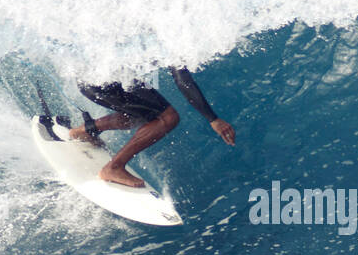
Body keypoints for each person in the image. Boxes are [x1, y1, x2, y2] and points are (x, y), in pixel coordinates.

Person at [67, 68, 236, 187]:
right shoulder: (174, 27)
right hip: (105, 81)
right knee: (169, 117)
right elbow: (182, 80)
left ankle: (86, 131)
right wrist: (213, 119)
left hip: (87, 78)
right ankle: (113, 168)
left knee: (143, 115)